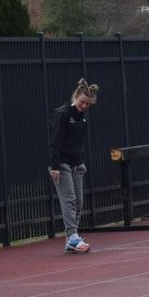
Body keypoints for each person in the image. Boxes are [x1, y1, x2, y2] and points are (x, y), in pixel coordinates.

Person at [48, 78, 98, 254]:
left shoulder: (81, 118)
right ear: (75, 97)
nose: (84, 106)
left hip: (76, 163)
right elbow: (55, 141)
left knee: (78, 203)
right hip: (62, 163)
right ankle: (73, 236)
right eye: (82, 102)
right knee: (69, 200)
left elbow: (79, 143)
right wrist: (55, 166)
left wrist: (81, 162)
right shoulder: (63, 114)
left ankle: (71, 238)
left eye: (87, 104)